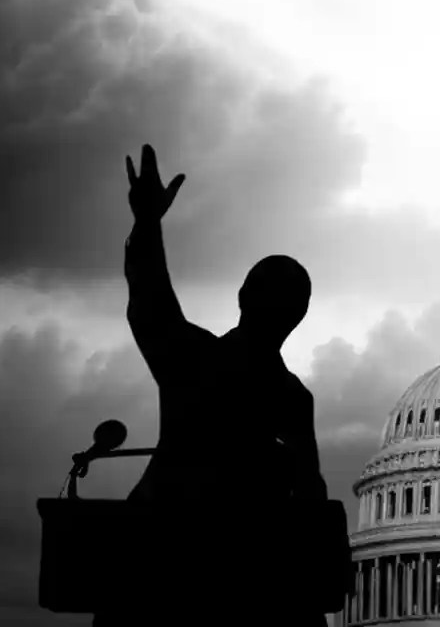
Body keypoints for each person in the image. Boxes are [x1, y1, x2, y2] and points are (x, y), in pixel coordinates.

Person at [95, 144, 330, 626]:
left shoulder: (197, 358)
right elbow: (310, 500)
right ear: (299, 316)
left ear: (243, 296)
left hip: (166, 575)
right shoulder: (288, 396)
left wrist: (147, 223)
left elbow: (149, 298)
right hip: (244, 582)